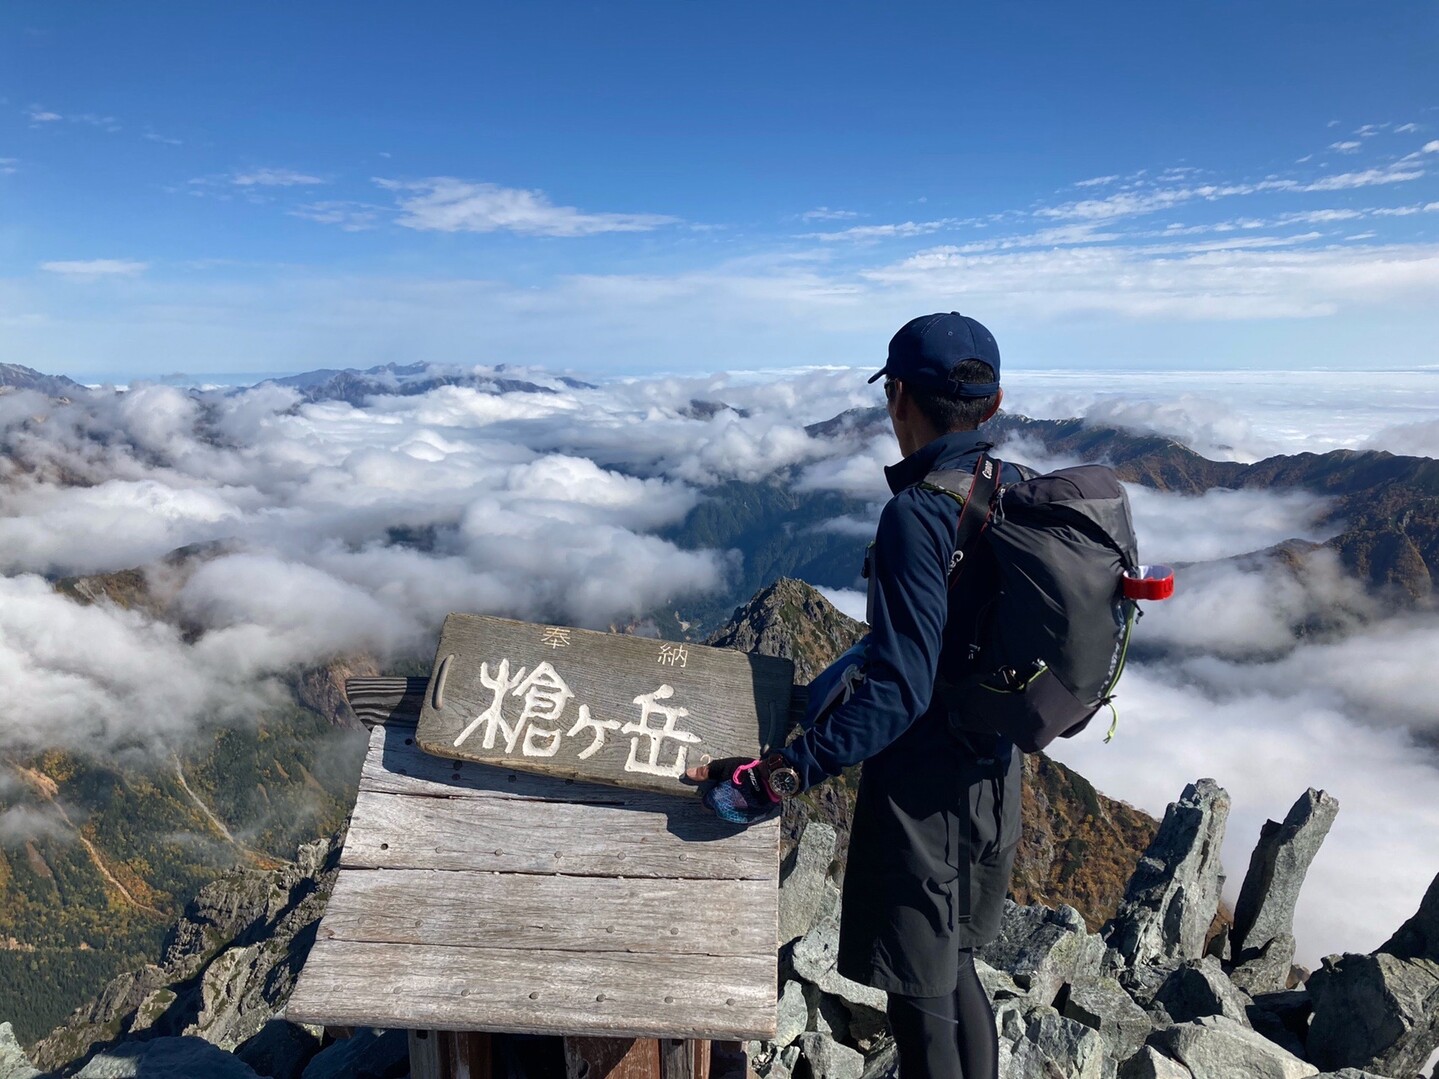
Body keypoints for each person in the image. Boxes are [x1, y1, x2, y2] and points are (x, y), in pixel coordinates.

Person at [687, 312, 1024, 1079]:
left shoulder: (920, 513)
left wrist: (784, 771)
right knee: (955, 964)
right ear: (994, 404)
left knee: (918, 997)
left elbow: (900, 688)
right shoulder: (1013, 487)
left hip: (923, 798)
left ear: (897, 395)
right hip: (995, 777)